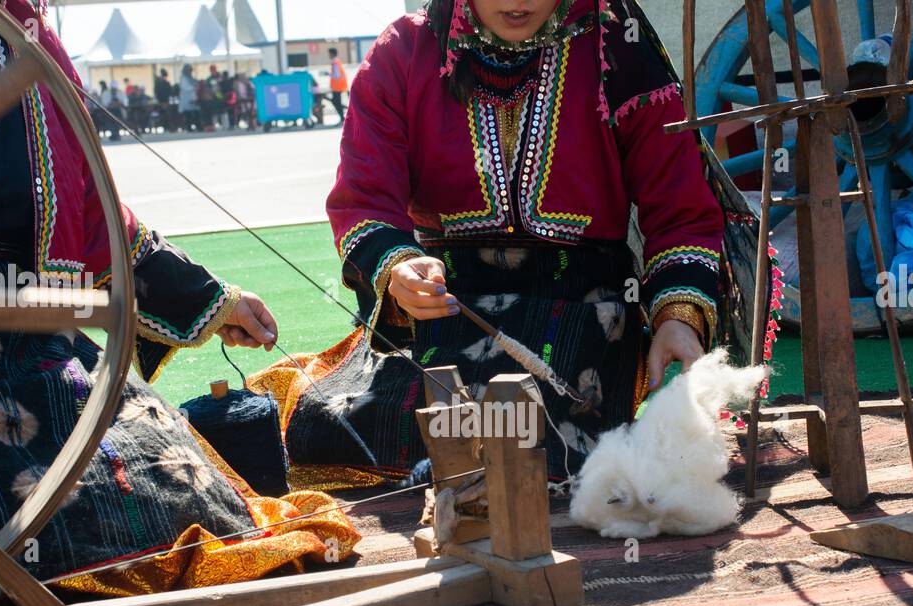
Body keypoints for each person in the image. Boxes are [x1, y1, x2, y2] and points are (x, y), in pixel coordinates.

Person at [0, 0, 357, 606]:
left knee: (165, 492)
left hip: (32, 360)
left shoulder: (24, 40)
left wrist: (213, 301)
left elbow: (94, 221)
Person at [251, 0, 724, 480]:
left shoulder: (618, 51)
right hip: (446, 308)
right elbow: (364, 199)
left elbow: (680, 207)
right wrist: (397, 267)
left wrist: (676, 315)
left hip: (580, 310)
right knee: (326, 430)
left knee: (529, 429)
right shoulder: (405, 52)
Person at [327, 47, 347, 124]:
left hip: (338, 86)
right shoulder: (337, 62)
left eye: (329, 54)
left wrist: (328, 74)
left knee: (336, 102)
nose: (328, 55)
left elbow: (336, 75)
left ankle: (343, 118)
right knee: (336, 102)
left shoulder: (335, 62)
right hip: (338, 86)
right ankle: (342, 117)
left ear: (332, 54)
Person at [178, 62, 199, 131]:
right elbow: (185, 88)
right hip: (186, 99)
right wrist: (194, 87)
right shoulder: (183, 78)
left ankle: (196, 126)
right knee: (188, 114)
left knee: (194, 113)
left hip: (192, 98)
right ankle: (189, 127)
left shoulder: (191, 78)